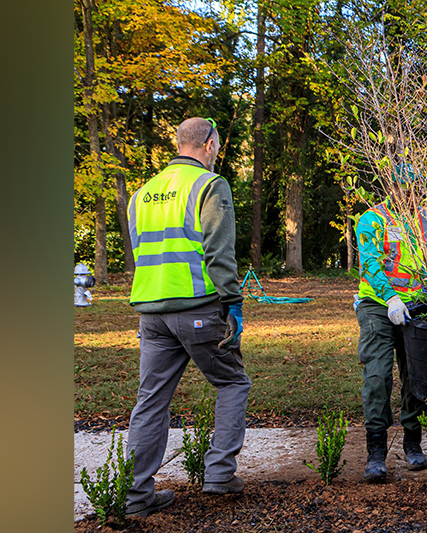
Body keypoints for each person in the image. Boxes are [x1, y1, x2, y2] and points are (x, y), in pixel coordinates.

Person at [124, 117, 252, 517]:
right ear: (210, 145)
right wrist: (232, 302)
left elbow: (140, 250)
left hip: (152, 315)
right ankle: (218, 474)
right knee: (232, 382)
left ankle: (134, 497)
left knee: (150, 402)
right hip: (198, 307)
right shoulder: (210, 185)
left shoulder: (142, 194)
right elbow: (218, 251)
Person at [354, 166, 427, 482]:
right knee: (378, 375)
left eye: (415, 189)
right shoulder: (372, 219)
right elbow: (370, 262)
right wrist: (390, 298)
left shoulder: (425, 218)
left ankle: (413, 441)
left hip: (415, 306)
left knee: (415, 374)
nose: (411, 195)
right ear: (393, 186)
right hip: (377, 305)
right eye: (405, 188)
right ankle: (376, 451)